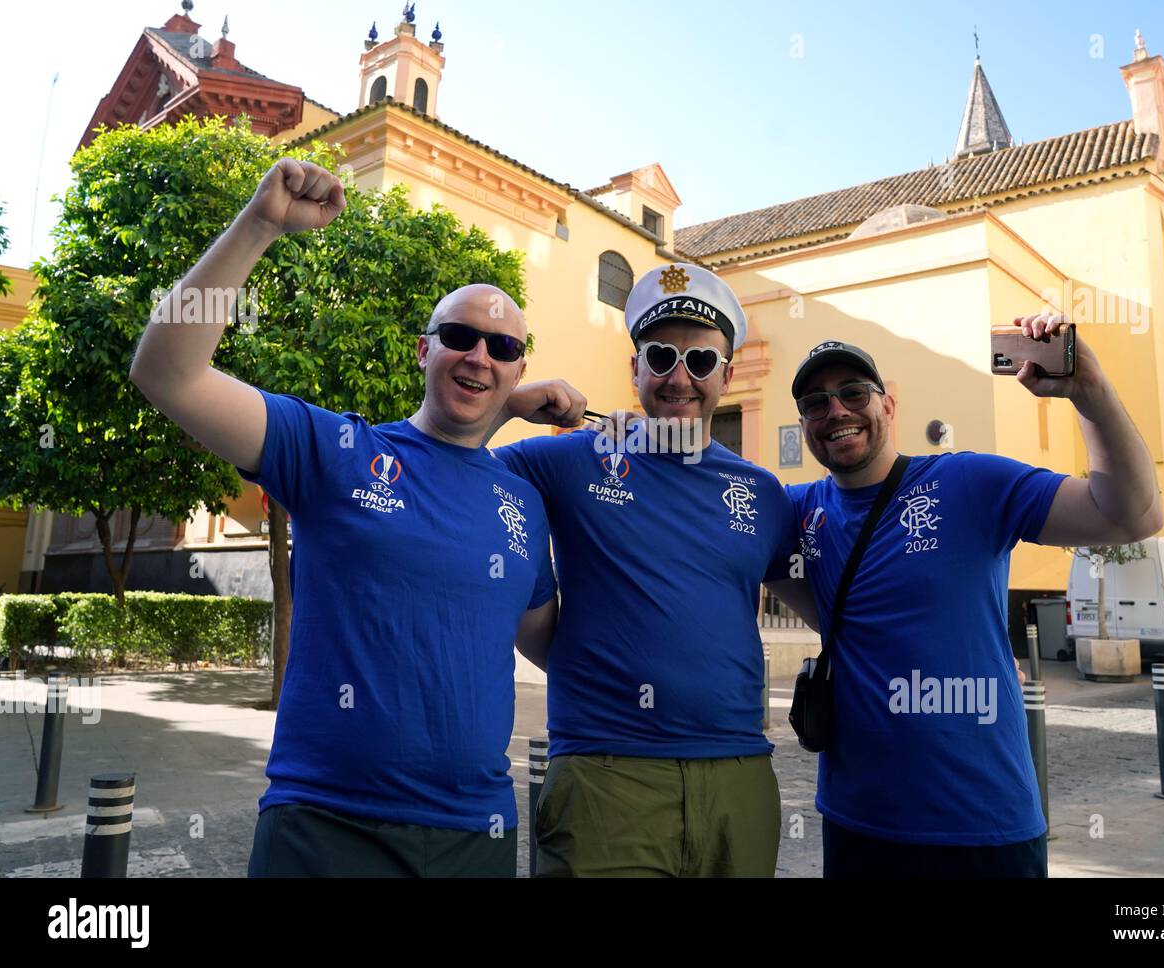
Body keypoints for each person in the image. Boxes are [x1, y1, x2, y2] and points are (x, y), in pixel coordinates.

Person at [129, 158, 558, 877]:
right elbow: (167, 373)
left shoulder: (521, 501)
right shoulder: (339, 451)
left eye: (503, 348)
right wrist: (258, 225)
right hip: (326, 827)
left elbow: (552, 644)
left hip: (474, 834)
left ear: (518, 371)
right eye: (458, 337)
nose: (478, 355)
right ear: (424, 350)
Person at [785, 322, 1162, 878]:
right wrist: (624, 440)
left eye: (853, 393)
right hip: (856, 822)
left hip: (983, 826)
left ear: (888, 404)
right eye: (815, 402)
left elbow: (1133, 516)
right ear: (803, 424)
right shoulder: (794, 511)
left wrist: (1090, 391)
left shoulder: (969, 481)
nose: (835, 410)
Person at [487, 263, 816, 877]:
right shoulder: (570, 459)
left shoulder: (762, 491)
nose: (679, 378)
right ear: (634, 367)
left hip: (739, 778)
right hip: (605, 779)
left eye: (701, 361)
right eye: (661, 356)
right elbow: (444, 471)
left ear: (727, 373)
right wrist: (507, 405)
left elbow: (827, 605)